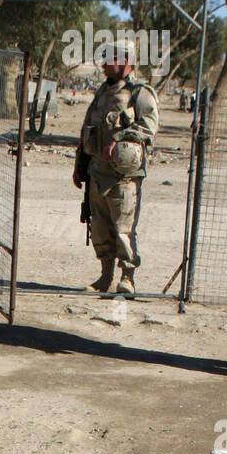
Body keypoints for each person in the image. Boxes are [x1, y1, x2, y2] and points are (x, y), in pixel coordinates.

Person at [73, 39, 159, 299]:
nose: (102, 65)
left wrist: (121, 139)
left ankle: (127, 277)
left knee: (123, 228)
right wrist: (80, 165)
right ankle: (105, 276)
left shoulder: (139, 92)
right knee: (99, 227)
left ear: (123, 61)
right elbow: (89, 129)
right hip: (96, 173)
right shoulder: (102, 91)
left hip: (123, 177)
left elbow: (149, 127)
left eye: (108, 60)